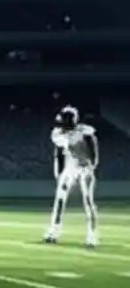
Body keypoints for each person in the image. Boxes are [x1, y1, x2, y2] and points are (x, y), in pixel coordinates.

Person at [45, 105, 99, 248]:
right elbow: (59, 153)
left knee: (88, 201)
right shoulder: (59, 134)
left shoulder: (84, 131)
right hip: (71, 167)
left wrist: (91, 165)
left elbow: (93, 147)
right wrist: (59, 172)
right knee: (60, 199)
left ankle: (91, 235)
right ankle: (54, 231)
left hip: (84, 166)